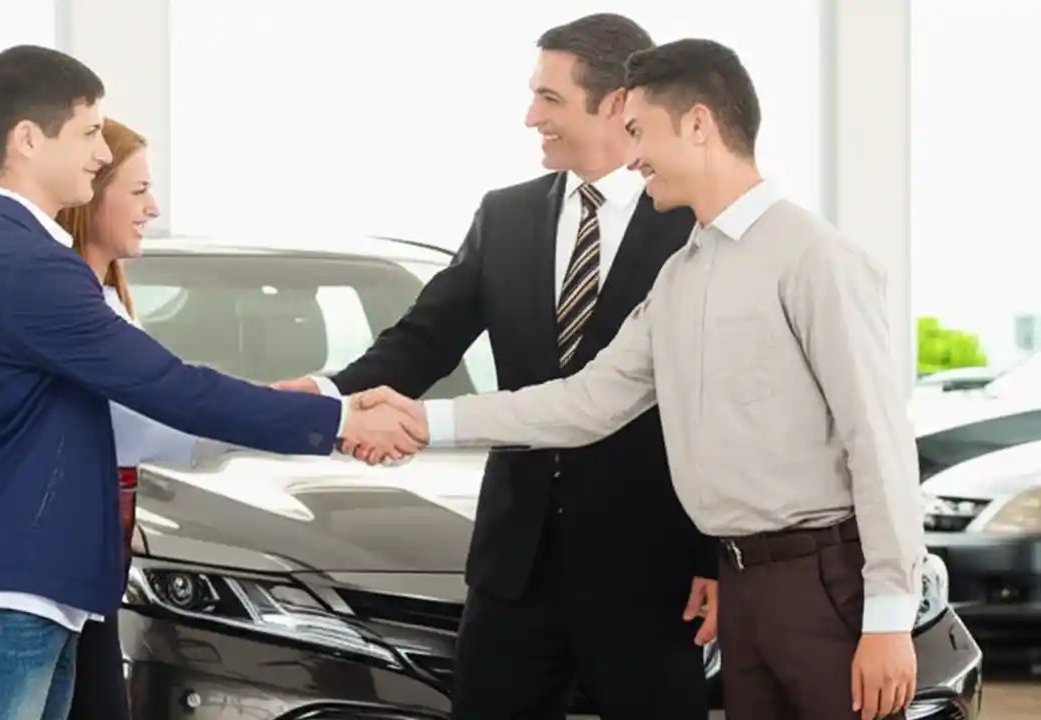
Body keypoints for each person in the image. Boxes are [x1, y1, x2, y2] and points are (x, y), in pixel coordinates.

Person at [355, 38, 924, 720]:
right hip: (744, 588)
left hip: (823, 583)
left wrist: (890, 615)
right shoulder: (682, 275)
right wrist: (423, 420)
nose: (632, 157)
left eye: (640, 133)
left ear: (698, 125)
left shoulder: (816, 257)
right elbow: (588, 402)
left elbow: (879, 441)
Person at [0, 45, 424, 720]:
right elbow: (169, 388)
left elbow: (96, 414)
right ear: (28, 140)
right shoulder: (23, 265)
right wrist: (343, 422)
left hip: (21, 586)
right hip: (6, 593)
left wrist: (314, 402)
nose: (96, 153)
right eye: (87, 133)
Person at [278, 15, 716, 719]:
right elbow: (426, 338)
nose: (529, 117)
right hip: (516, 567)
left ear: (613, 103)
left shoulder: (693, 224)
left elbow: (718, 402)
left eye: (549, 99)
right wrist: (328, 397)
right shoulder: (506, 215)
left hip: (653, 569)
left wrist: (712, 554)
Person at [55, 116, 225, 720]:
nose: (153, 208)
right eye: (138, 190)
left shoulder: (108, 305)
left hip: (94, 578)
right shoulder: (72, 311)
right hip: (66, 579)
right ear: (90, 197)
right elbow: (152, 413)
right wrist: (315, 419)